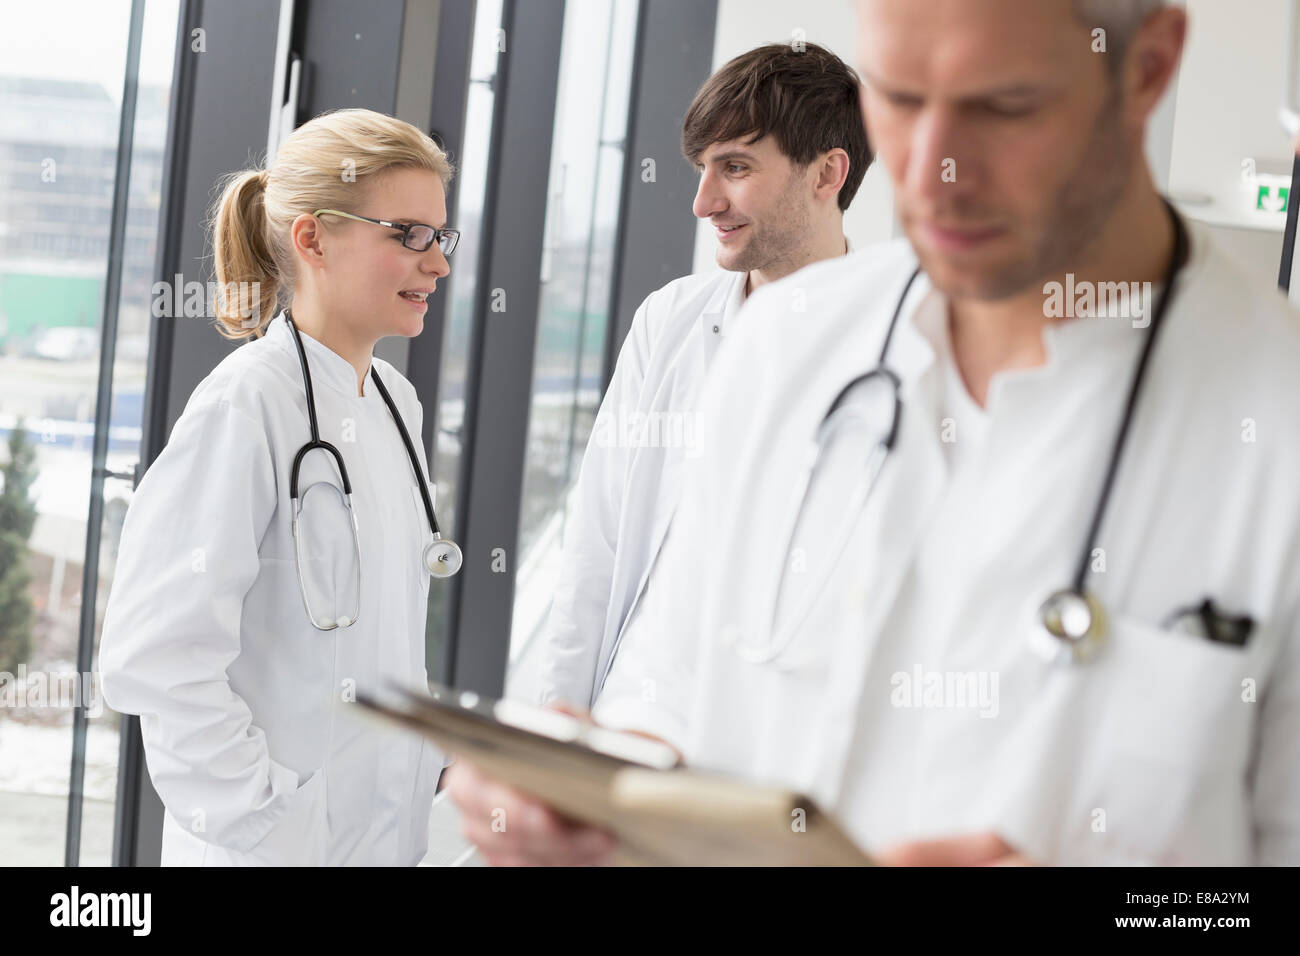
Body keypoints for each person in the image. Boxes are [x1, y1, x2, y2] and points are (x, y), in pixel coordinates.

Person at [450, 0, 1300, 866]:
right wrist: (586, 794)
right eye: (899, 97)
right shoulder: (784, 346)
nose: (932, 173)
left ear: (1148, 67)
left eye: (1001, 105)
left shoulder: (1272, 422)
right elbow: (677, 695)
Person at [99, 108, 459, 865]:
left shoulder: (396, 401)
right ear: (312, 237)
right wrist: (269, 821)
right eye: (408, 235)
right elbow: (158, 655)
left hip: (385, 840)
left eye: (439, 235)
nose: (438, 265)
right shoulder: (246, 403)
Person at [532, 42, 871, 709]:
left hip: (781, 737)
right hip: (638, 712)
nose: (703, 202)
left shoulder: (895, 344)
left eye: (735, 168)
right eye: (700, 169)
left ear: (827, 175)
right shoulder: (671, 320)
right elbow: (595, 544)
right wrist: (559, 725)